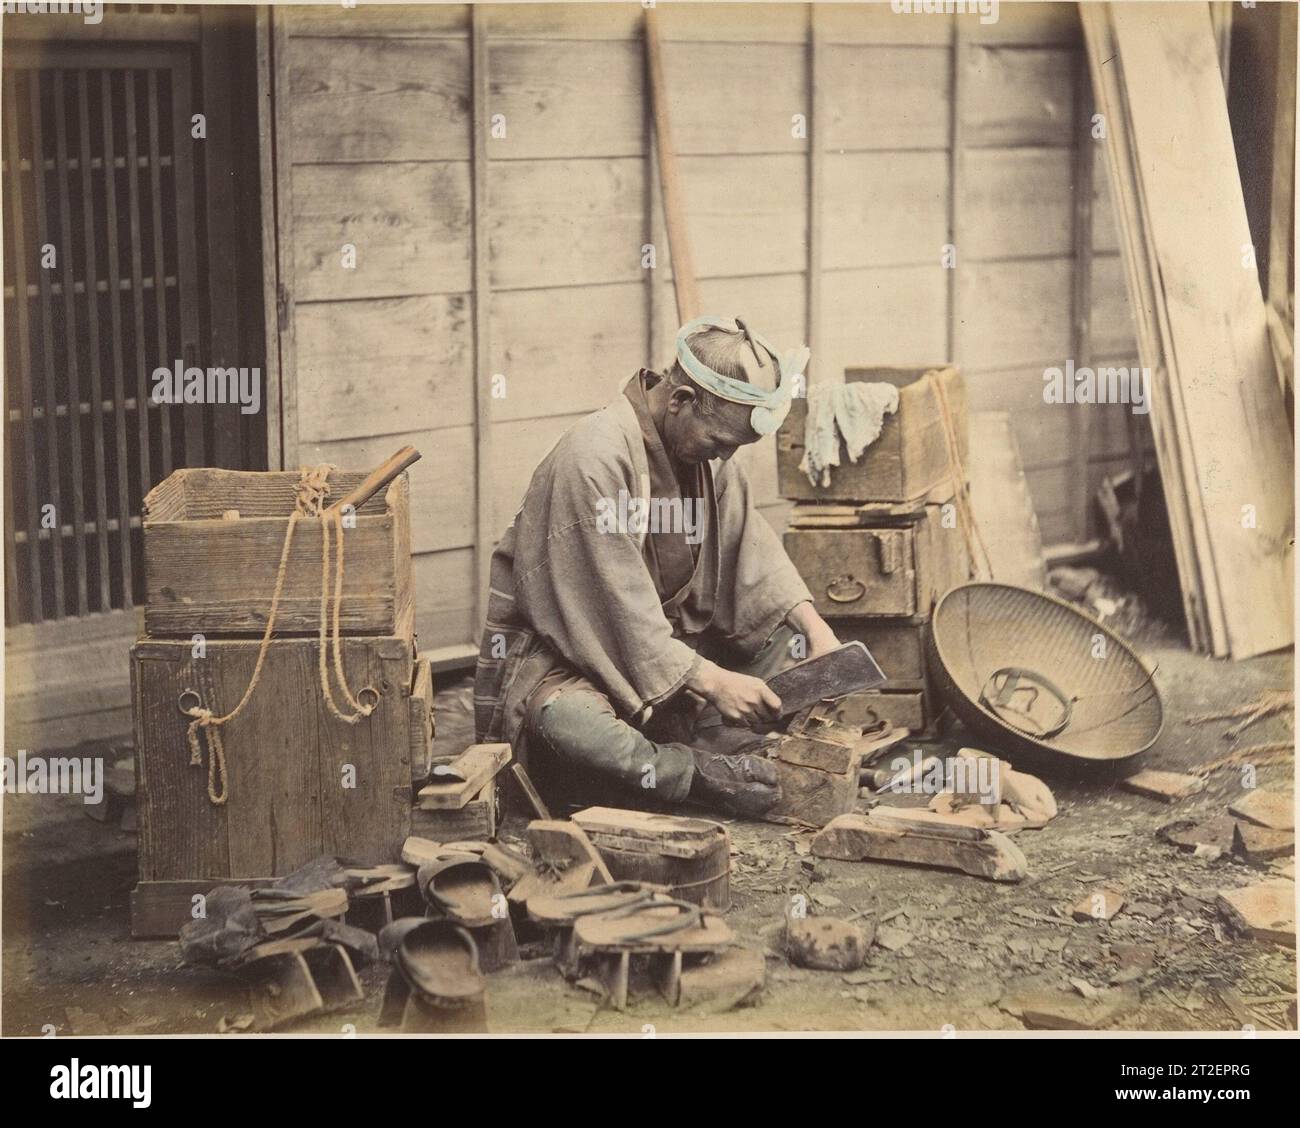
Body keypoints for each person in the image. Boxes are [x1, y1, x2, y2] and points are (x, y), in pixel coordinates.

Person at [473, 316, 841, 815]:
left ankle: (698, 745)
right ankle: (691, 772)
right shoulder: (594, 459)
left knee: (791, 648)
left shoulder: (707, 455)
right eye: (719, 442)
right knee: (571, 724)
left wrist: (816, 633)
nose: (725, 456)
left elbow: (751, 555)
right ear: (681, 400)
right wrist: (712, 681)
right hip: (575, 657)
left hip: (668, 655)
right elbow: (615, 608)